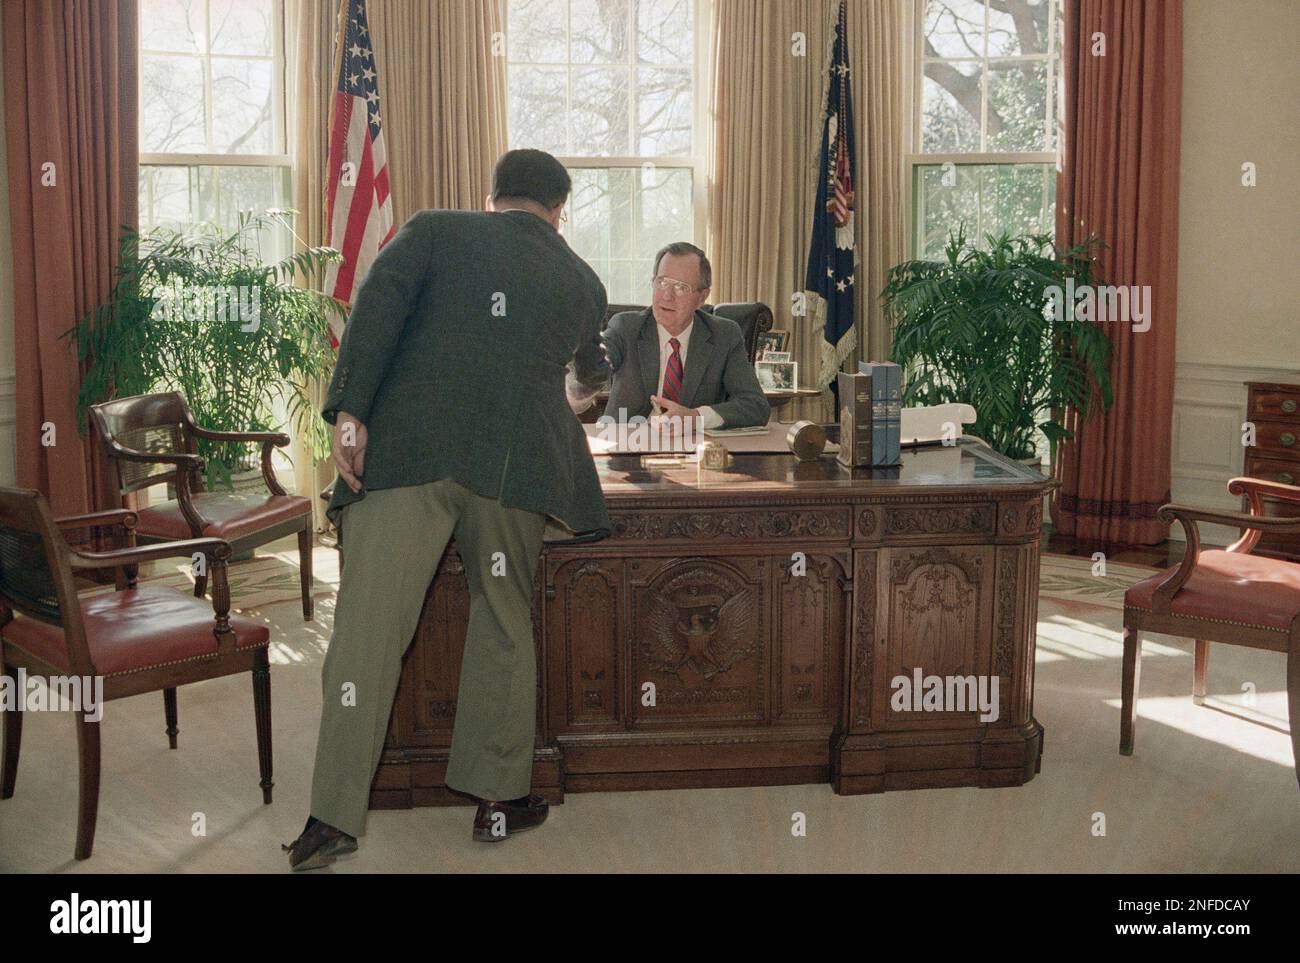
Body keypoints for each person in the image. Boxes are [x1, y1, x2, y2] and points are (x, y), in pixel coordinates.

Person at [284, 148, 611, 870]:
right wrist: (584, 391)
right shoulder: (582, 277)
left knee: (367, 631)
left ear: (491, 196)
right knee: (502, 618)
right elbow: (590, 386)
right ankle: (497, 802)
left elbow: (375, 316)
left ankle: (331, 816)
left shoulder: (433, 229)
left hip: (408, 452)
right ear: (560, 212)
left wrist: (350, 414)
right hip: (515, 466)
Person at [567, 242, 769, 431]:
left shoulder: (724, 335)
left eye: (681, 287)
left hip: (692, 455)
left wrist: (695, 417)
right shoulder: (625, 327)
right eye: (662, 282)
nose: (667, 296)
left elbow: (756, 406)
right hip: (627, 450)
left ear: (702, 296)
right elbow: (596, 364)